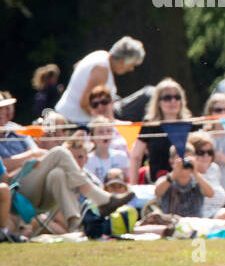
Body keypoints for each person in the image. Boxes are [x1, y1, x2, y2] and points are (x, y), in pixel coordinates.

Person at [0, 93, 133, 231]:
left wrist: (32, 159)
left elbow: (41, 156)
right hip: (14, 192)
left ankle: (75, 225)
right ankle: (100, 199)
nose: (2, 112)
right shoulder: (21, 135)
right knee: (59, 152)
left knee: (57, 174)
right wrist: (27, 160)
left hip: (35, 186)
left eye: (3, 108)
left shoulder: (18, 133)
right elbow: (6, 177)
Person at [54, 36, 146, 125]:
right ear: (122, 61)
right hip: (72, 123)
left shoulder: (101, 55)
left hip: (68, 118)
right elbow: (84, 104)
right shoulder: (102, 69)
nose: (131, 69)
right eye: (132, 65)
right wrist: (106, 124)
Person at [128, 78, 192, 182]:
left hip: (186, 185)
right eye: (167, 97)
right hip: (157, 185)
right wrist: (133, 187)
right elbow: (136, 157)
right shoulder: (150, 126)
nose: (173, 101)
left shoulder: (190, 125)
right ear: (158, 101)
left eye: (177, 97)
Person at [153, 143, 215, 218]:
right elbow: (157, 192)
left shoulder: (198, 180)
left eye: (187, 160)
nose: (184, 164)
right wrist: (173, 175)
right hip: (172, 222)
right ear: (171, 161)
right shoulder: (166, 180)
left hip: (194, 223)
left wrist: (195, 173)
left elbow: (210, 193)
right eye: (181, 159)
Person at [188, 130, 225, 219]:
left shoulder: (214, 169)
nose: (206, 156)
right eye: (201, 152)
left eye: (210, 152)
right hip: (196, 218)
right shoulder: (186, 172)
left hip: (217, 215)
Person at [201, 93, 225, 190]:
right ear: (210, 112)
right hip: (209, 189)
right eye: (218, 110)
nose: (223, 113)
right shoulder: (203, 135)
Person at [85, 116, 129, 184]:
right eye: (100, 132)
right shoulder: (87, 160)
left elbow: (127, 181)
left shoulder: (121, 156)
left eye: (108, 131)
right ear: (92, 136)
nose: (105, 134)